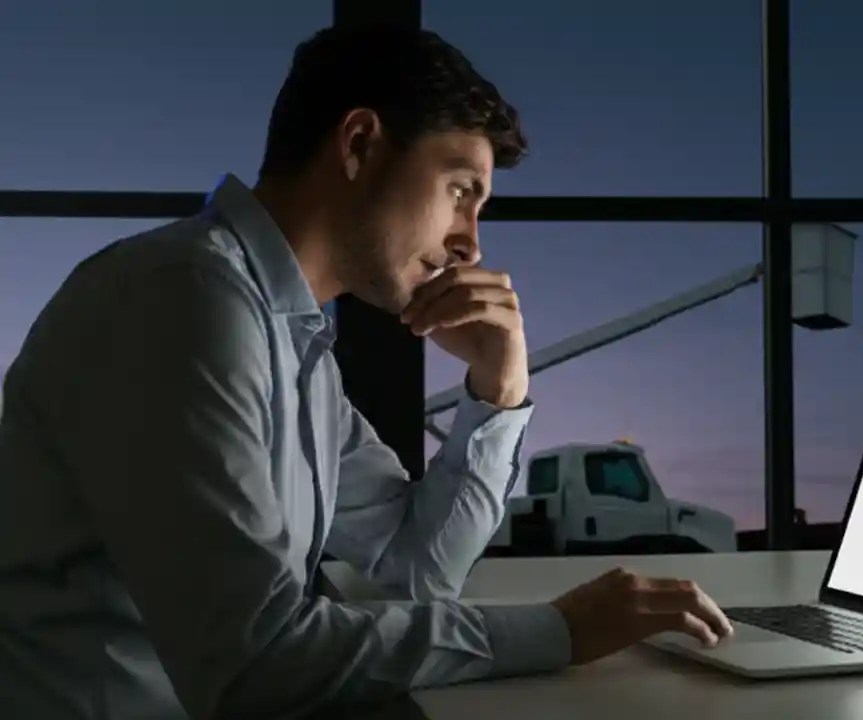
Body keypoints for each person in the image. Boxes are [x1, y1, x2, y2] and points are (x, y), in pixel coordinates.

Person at [0, 24, 733, 719]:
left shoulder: (290, 345)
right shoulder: (182, 300)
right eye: (459, 191)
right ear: (358, 145)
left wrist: (498, 394)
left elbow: (415, 569)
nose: (469, 245)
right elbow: (253, 664)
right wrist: (559, 632)